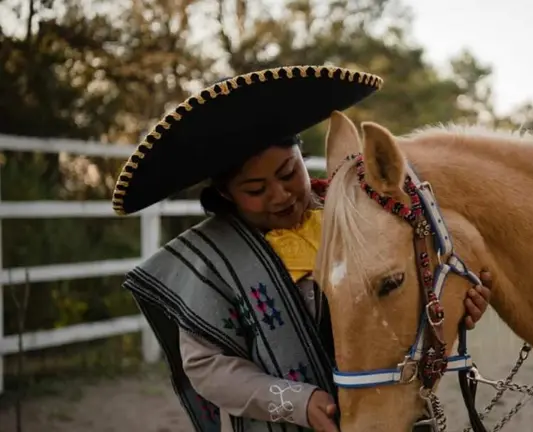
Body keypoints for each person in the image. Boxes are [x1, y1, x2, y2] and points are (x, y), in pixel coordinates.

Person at [112, 65, 493, 432]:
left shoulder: (358, 217)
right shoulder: (213, 260)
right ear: (226, 194)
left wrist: (456, 309)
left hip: (389, 412)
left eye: (287, 173)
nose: (280, 196)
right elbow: (207, 367)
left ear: (300, 155)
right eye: (256, 190)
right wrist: (299, 402)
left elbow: (407, 298)